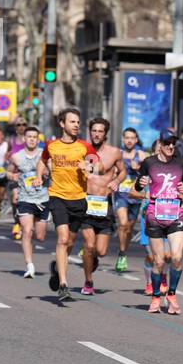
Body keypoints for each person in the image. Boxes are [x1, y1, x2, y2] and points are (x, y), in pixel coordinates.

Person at [38, 108, 97, 304]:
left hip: (78, 200)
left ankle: (57, 270)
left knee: (70, 242)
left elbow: (97, 165)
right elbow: (43, 160)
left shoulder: (84, 147)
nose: (76, 125)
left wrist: (88, 167)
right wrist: (40, 175)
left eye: (78, 122)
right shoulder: (52, 145)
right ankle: (63, 285)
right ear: (62, 124)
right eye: (72, 121)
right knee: (62, 239)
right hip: (58, 197)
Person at [133, 131, 183, 315]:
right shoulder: (149, 162)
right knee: (158, 261)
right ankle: (156, 297)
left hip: (176, 215)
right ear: (160, 143)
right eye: (167, 143)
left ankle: (172, 294)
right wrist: (141, 183)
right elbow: (137, 185)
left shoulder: (181, 162)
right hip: (155, 215)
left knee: (176, 257)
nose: (171, 146)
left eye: (173, 143)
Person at [79, 118, 124, 296]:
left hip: (104, 205)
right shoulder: (81, 150)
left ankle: (92, 260)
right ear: (90, 132)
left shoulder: (114, 152)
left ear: (105, 134)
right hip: (86, 203)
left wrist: (117, 181)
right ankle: (88, 281)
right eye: (94, 131)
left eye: (100, 131)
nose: (97, 134)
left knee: (101, 251)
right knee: (89, 246)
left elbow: (123, 171)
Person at [7, 124, 49, 276]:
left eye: (35, 137)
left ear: (38, 140)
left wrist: (45, 173)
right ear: (24, 138)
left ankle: (31, 248)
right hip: (25, 199)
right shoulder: (16, 157)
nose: (32, 140)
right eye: (29, 137)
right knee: (26, 231)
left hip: (43, 198)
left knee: (40, 236)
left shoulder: (44, 155)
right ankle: (29, 265)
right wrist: (13, 176)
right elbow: (9, 172)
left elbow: (51, 172)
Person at [114, 127, 147, 272]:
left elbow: (148, 174)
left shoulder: (142, 155)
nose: (129, 140)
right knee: (122, 223)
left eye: (132, 138)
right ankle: (121, 254)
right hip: (121, 195)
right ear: (123, 139)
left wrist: (139, 168)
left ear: (136, 139)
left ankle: (123, 251)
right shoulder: (118, 154)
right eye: (126, 137)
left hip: (135, 195)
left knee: (128, 228)